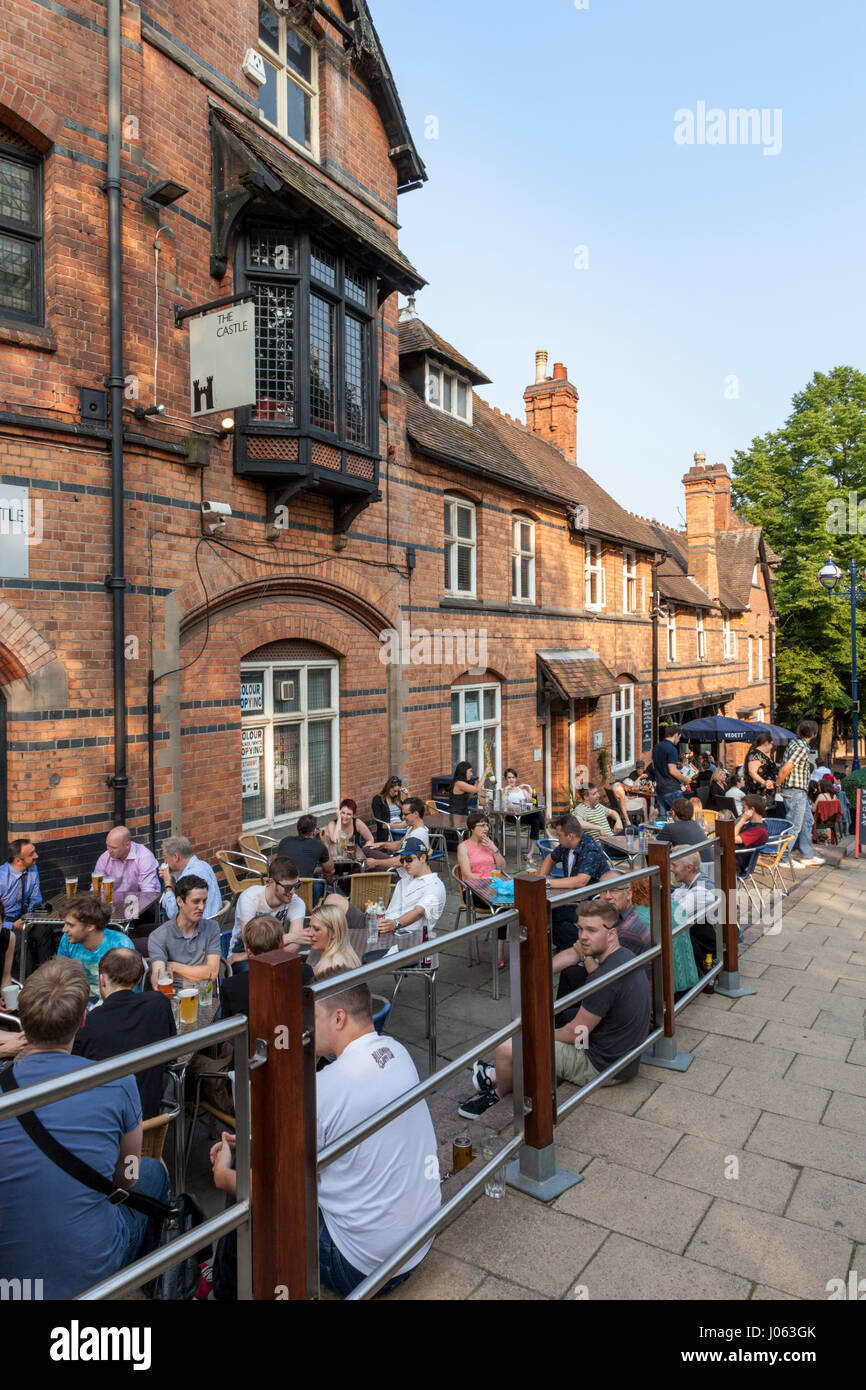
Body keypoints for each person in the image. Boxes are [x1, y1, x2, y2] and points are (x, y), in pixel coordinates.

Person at [205, 970, 442, 1299]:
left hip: (362, 1264)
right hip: (418, 1240)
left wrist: (225, 1176)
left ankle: (226, 1291)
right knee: (255, 1156)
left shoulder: (327, 1086)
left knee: (244, 1183)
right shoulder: (397, 1050)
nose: (305, 1026)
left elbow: (273, 1191)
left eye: (312, 1016)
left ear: (339, 1018)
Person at [0, 957, 170, 1299]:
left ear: (24, 1022)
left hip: (13, 1281)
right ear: (82, 1019)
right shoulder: (118, 1082)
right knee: (153, 1173)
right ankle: (141, 1288)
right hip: (91, 1267)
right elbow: (128, 1177)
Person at [459, 900, 652, 1119]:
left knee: (507, 1048)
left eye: (591, 930)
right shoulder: (622, 954)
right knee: (559, 1018)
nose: (583, 936)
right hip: (621, 1054)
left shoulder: (604, 978)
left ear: (611, 934)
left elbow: (574, 1033)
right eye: (580, 928)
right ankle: (501, 1073)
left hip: (602, 1066)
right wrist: (541, 973)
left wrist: (532, 1037)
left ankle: (497, 1091)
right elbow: (572, 954)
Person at [72, 947, 175, 1118]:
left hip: (103, 1125)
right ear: (139, 979)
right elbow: (171, 1052)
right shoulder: (159, 1003)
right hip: (150, 1120)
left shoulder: (88, 1023)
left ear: (102, 979)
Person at [220, 916, 313, 1021]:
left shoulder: (231, 986)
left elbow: (227, 1030)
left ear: (248, 950)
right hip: (299, 1036)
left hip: (251, 1037)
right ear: (282, 943)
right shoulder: (305, 972)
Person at [539, 814, 610, 950]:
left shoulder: (590, 848)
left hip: (594, 901)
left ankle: (580, 949)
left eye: (559, 835)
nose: (558, 839)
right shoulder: (567, 845)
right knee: (544, 911)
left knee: (552, 914)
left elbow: (581, 881)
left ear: (570, 835)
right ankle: (566, 946)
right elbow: (550, 859)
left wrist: (546, 884)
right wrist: (540, 879)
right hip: (575, 896)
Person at [226, 856, 308, 962]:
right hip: (244, 955)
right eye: (287, 887)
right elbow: (251, 944)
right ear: (271, 882)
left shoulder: (297, 902)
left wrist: (291, 940)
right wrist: (289, 937)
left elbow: (294, 946)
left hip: (273, 955)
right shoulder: (250, 898)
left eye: (296, 885)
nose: (293, 891)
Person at [147, 875, 221, 990]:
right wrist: (199, 972)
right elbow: (158, 977)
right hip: (173, 996)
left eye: (204, 901)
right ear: (180, 901)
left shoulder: (212, 927)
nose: (201, 907)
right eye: (196, 901)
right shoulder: (158, 936)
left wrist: (173, 966)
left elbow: (211, 973)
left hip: (204, 997)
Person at [457, 810, 510, 968]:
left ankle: (503, 948)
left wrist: (495, 849)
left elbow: (503, 868)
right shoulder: (464, 847)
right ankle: (500, 952)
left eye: (487, 825)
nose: (486, 828)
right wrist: (489, 881)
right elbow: (467, 874)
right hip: (474, 890)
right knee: (502, 907)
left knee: (512, 905)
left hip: (494, 888)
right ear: (472, 828)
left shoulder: (489, 844)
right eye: (482, 825)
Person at [57, 893, 133, 1000]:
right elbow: (60, 979)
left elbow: (128, 994)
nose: (64, 930)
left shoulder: (120, 946)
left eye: (71, 925)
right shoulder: (67, 940)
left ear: (90, 926)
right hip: (77, 1005)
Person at [777, 719, 823, 867]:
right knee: (794, 825)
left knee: (807, 822)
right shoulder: (802, 748)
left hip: (797, 790)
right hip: (794, 790)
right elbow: (787, 768)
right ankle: (783, 858)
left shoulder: (794, 743)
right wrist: (777, 784)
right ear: (814, 734)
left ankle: (807, 855)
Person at [0, 837, 52, 970]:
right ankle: (29, 982)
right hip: (3, 922)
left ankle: (48, 974)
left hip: (23, 918)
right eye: (31, 854)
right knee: (18, 940)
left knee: (43, 929)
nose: (37, 856)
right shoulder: (2, 879)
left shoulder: (32, 869)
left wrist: (29, 918)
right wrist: (11, 925)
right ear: (18, 860)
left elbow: (36, 899)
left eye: (34, 851)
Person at [379, 840, 446, 938]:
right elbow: (392, 910)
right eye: (402, 861)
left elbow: (419, 911)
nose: (405, 864)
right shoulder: (403, 881)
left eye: (409, 859)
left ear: (423, 858)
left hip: (413, 939)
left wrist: (395, 924)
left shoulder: (435, 885)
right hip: (388, 932)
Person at [671, 851, 719, 969]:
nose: (671, 869)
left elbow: (674, 914)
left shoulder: (701, 890)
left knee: (670, 934)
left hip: (714, 947)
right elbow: (674, 899)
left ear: (689, 868)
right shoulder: (688, 883)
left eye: (674, 865)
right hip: (706, 938)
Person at [159, 835, 223, 921]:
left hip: (199, 927)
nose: (165, 862)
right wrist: (173, 883)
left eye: (166, 857)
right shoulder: (204, 864)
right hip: (212, 921)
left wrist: (167, 884)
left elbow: (173, 914)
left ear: (176, 857)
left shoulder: (189, 877)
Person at [93, 826, 160, 899]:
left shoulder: (144, 857)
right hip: (114, 904)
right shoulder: (104, 858)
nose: (109, 851)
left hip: (142, 902)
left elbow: (148, 893)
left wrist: (133, 909)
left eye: (113, 847)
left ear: (127, 845)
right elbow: (97, 889)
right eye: (107, 846)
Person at [369, 798, 431, 874]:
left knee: (362, 866)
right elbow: (399, 844)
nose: (402, 817)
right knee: (367, 850)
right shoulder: (412, 828)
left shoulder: (417, 835)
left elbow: (399, 861)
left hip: (401, 874)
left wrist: (375, 862)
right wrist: (382, 844)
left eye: (405, 814)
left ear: (415, 814)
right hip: (398, 867)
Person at [275, 814, 334, 885]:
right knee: (323, 883)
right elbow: (330, 870)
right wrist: (326, 843)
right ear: (314, 831)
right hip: (305, 890)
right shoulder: (318, 845)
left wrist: (315, 870)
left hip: (281, 887)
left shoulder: (285, 841)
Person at [655, 797, 714, 865]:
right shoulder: (696, 824)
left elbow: (656, 846)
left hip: (694, 869)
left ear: (673, 813)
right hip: (710, 868)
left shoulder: (670, 828)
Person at [502, 768, 545, 860]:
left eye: (513, 777)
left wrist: (529, 787)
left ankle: (531, 851)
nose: (511, 780)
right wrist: (505, 791)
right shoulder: (504, 791)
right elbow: (502, 806)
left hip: (524, 815)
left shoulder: (522, 791)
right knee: (537, 815)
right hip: (512, 816)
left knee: (536, 817)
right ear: (505, 779)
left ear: (516, 778)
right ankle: (548, 834)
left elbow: (535, 803)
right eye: (509, 778)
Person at [309, 904, 362, 975]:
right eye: (310, 927)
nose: (310, 933)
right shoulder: (349, 955)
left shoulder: (328, 967)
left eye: (316, 929)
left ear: (333, 933)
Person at [651, 725, 689, 815]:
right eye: (679, 737)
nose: (679, 740)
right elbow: (672, 771)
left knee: (663, 820)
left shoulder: (656, 747)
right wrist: (685, 779)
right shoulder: (672, 749)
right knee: (684, 815)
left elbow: (655, 766)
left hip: (660, 788)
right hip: (671, 789)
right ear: (676, 734)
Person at [733, 794, 769, 873]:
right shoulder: (750, 824)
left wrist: (743, 819)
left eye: (744, 807)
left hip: (733, 864)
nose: (742, 810)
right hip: (728, 857)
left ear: (752, 810)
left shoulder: (759, 830)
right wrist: (742, 818)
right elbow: (731, 829)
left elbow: (732, 838)